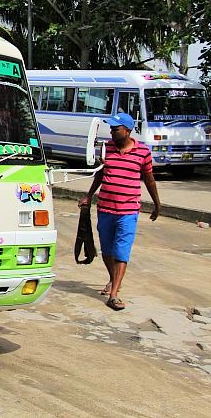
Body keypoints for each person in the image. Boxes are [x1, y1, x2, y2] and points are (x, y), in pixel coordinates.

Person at [78, 112, 160, 311]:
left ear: (127, 130)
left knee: (121, 251)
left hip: (128, 210)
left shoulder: (143, 152)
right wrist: (89, 196)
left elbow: (149, 179)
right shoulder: (107, 148)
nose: (112, 132)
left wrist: (157, 204)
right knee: (107, 250)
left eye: (116, 129)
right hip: (105, 208)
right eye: (111, 128)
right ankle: (113, 279)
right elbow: (100, 175)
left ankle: (114, 294)